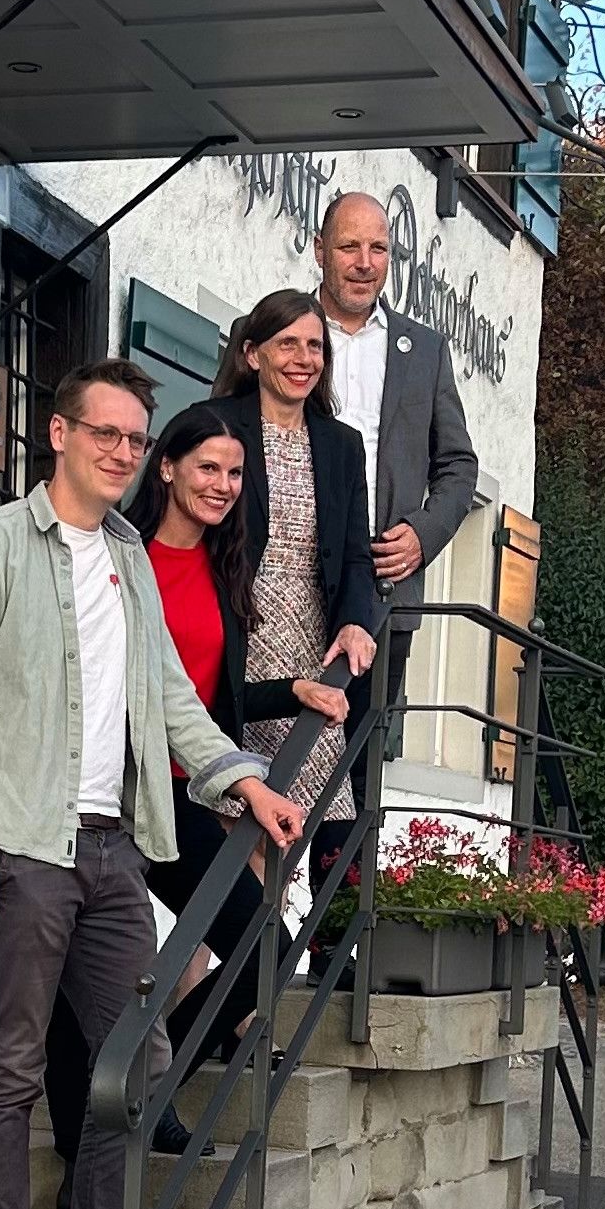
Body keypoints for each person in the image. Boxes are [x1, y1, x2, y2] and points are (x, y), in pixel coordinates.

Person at [0, 358, 304, 1209]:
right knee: (8, 1067)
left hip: (113, 848)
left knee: (140, 1058)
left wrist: (241, 779)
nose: (123, 453)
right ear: (59, 434)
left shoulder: (127, 555)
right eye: (107, 434)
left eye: (135, 439)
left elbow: (168, 697)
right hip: (20, 843)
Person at [43, 404, 349, 1192]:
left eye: (235, 472)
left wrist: (293, 691)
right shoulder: (119, 553)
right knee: (81, 984)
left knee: (261, 943)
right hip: (104, 792)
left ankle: (147, 1080)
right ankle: (86, 1155)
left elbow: (199, 693)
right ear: (168, 467)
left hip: (183, 794)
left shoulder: (225, 569)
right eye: (206, 466)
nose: (221, 484)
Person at [309, 192, 479, 971]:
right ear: (321, 250)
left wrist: (424, 534)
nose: (365, 263)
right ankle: (252, 947)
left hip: (382, 591)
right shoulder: (288, 332)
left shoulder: (425, 350)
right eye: (351, 247)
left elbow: (459, 465)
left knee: (355, 765)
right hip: (288, 577)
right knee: (269, 749)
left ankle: (334, 950)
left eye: (379, 249)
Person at [207, 289, 377, 827]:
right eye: (288, 344)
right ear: (253, 353)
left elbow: (355, 553)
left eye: (315, 346)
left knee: (324, 816)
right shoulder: (213, 423)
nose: (303, 359)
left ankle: (307, 913)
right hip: (233, 624)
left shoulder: (342, 444)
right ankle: (260, 912)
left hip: (310, 634)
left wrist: (354, 622)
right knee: (239, 806)